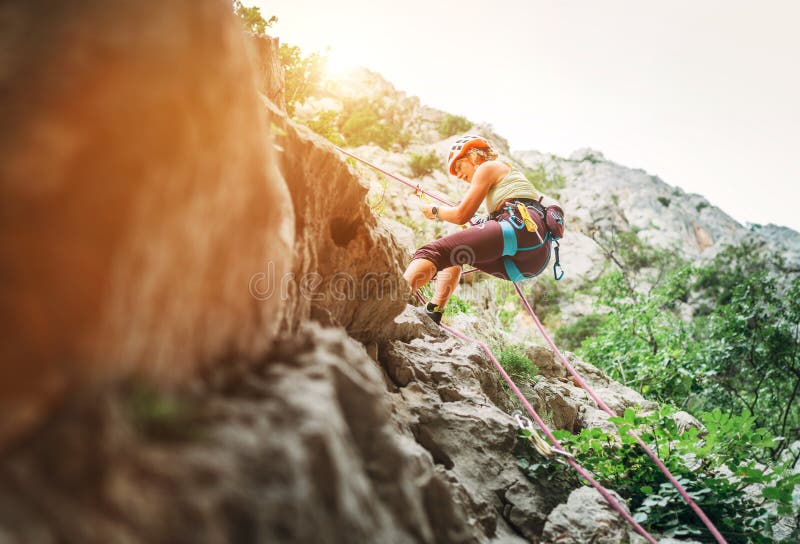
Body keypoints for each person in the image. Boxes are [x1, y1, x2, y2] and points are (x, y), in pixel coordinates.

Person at [403, 135, 563, 324]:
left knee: (432, 252)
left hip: (519, 228)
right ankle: (433, 312)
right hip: (530, 261)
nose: (459, 176)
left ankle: (393, 298)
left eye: (459, 166)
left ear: (474, 156)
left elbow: (462, 214)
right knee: (455, 255)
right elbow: (467, 222)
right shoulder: (504, 184)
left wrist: (435, 211)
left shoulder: (489, 166)